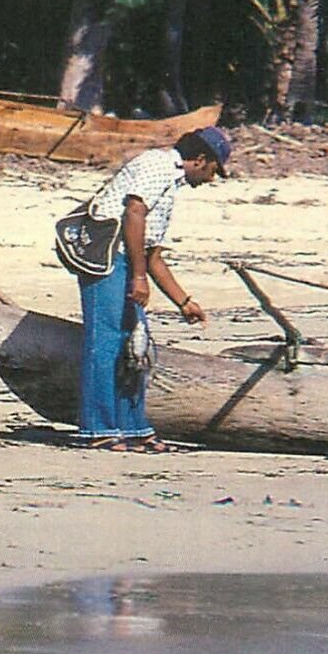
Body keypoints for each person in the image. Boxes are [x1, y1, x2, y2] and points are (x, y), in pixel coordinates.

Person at [73, 127, 229, 453]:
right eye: (214, 170)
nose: (212, 179)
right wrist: (138, 279)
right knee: (106, 343)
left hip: (130, 264)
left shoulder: (171, 184)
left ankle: (133, 428)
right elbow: (133, 212)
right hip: (108, 259)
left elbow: (153, 254)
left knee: (135, 348)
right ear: (200, 159)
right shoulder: (157, 165)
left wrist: (184, 301)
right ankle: (98, 429)